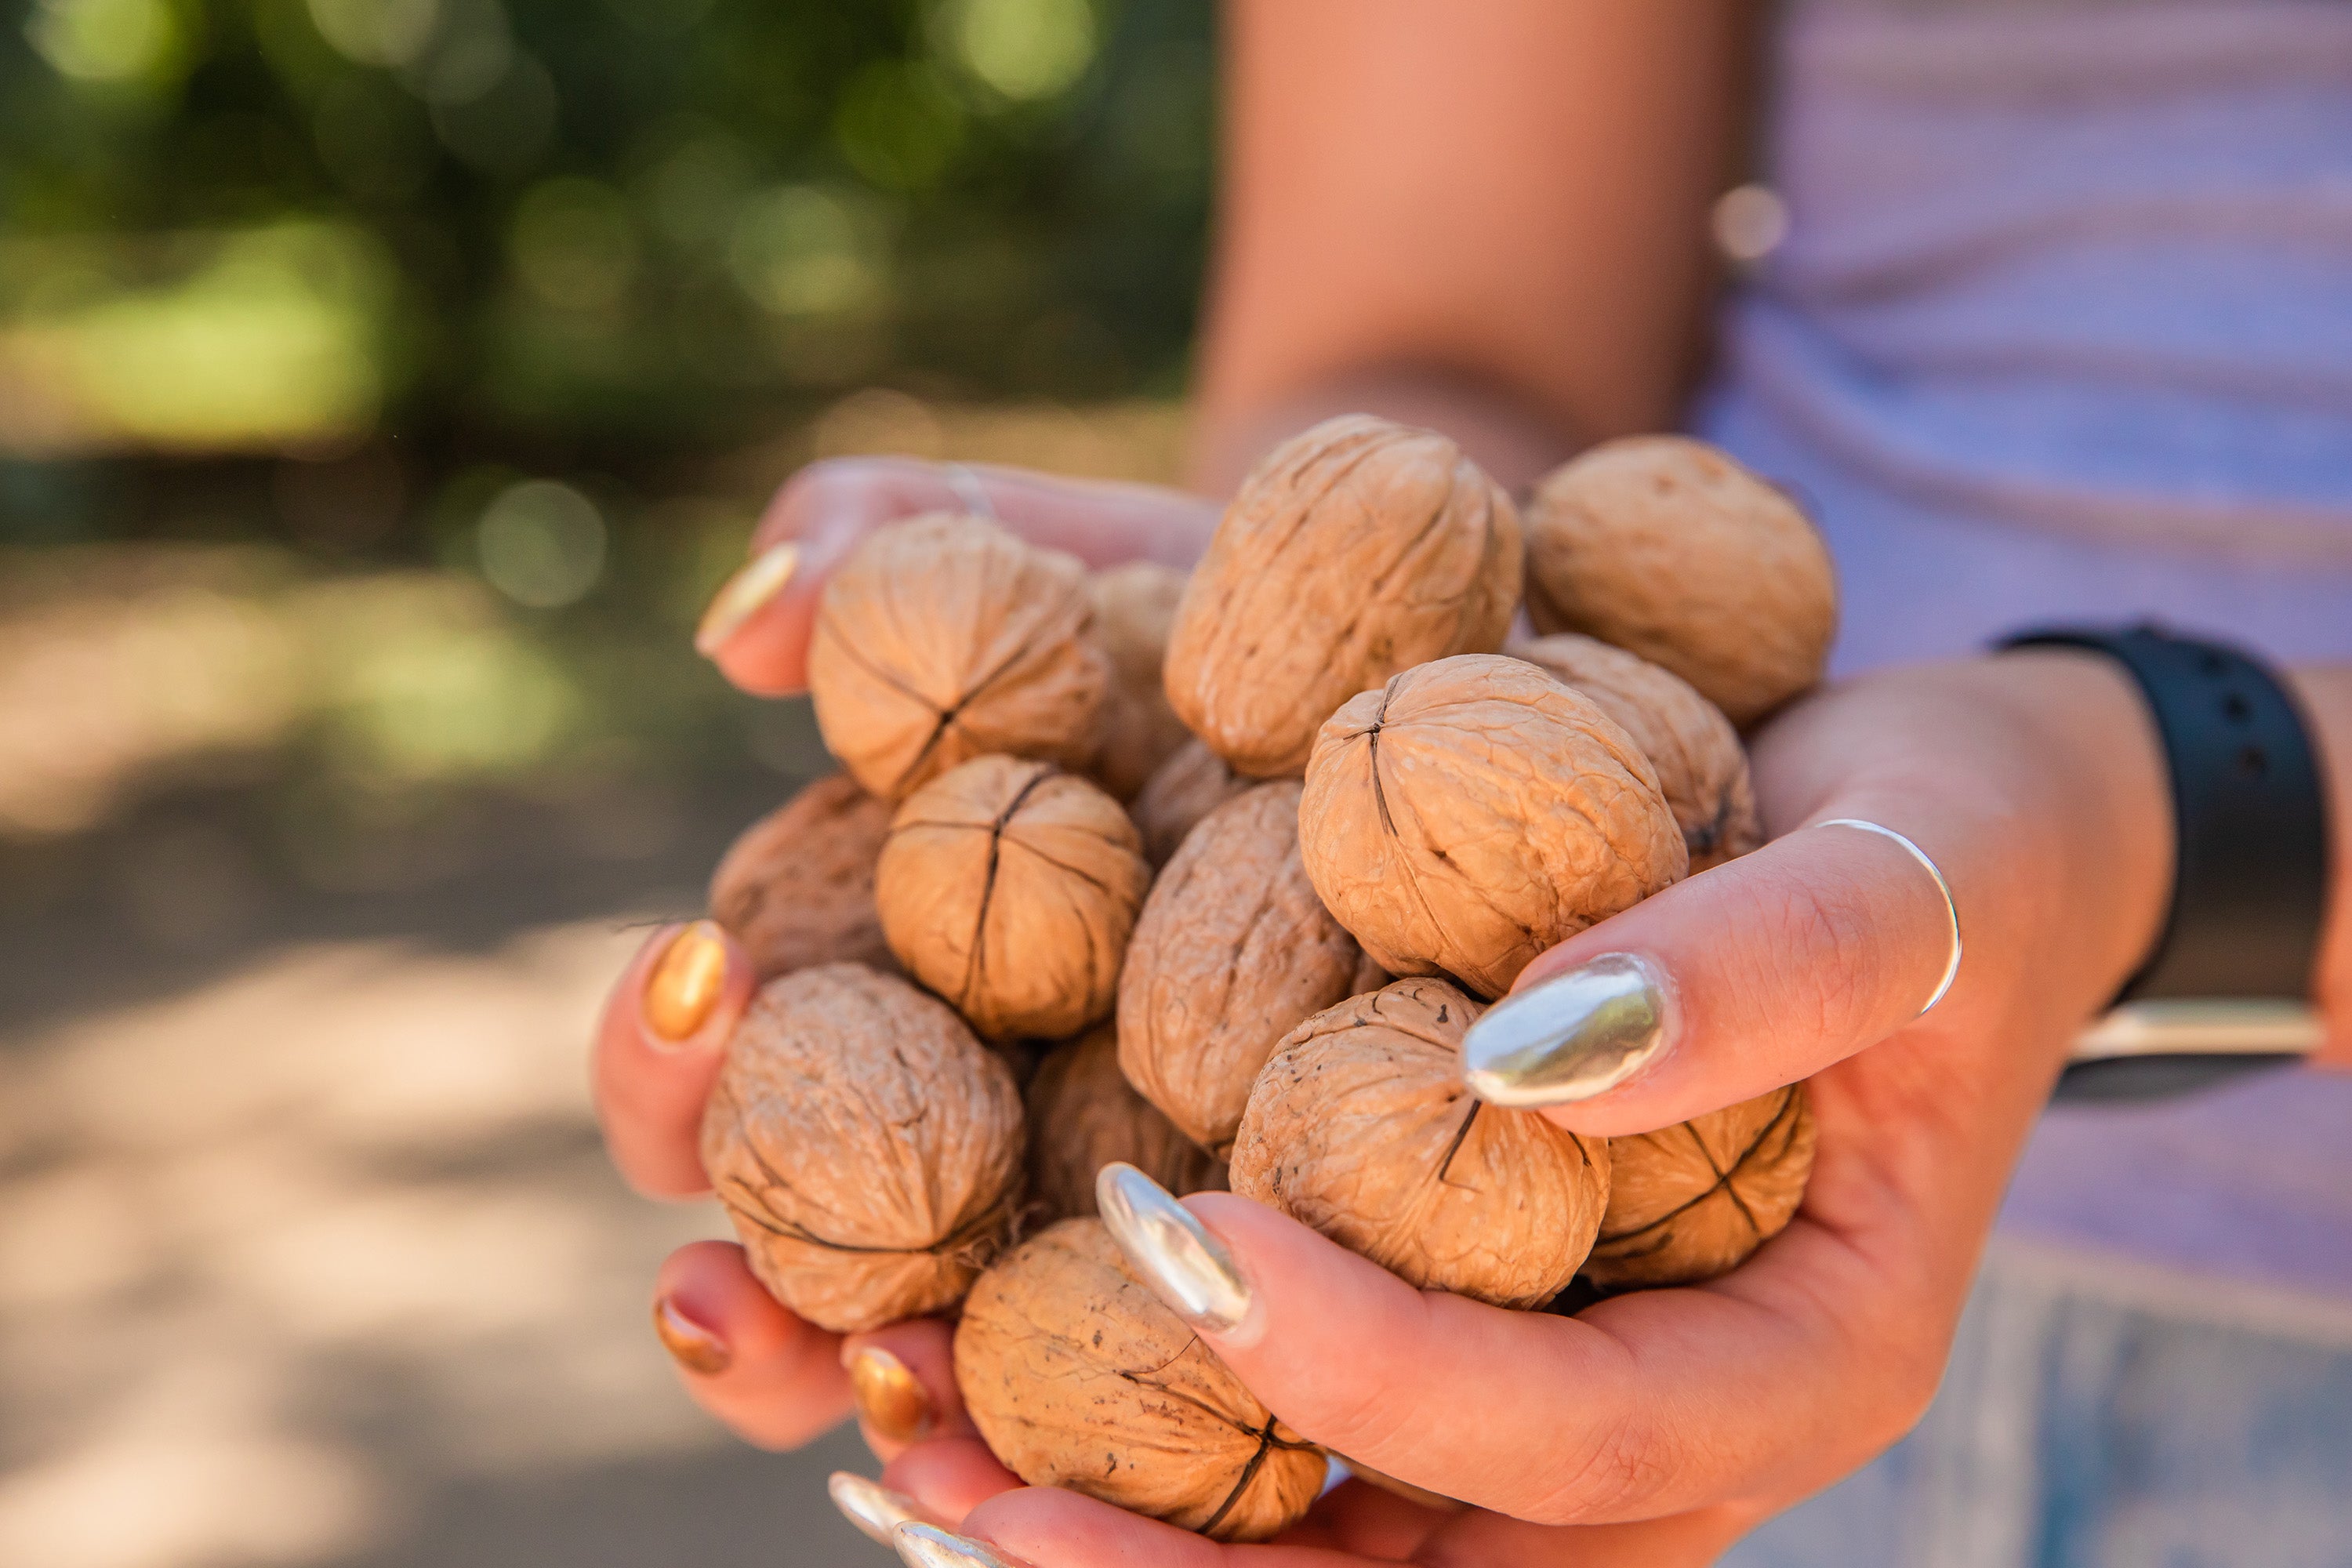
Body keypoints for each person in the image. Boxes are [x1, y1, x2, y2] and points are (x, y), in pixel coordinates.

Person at [592, 4, 2352, 1563]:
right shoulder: (1318, 806)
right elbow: (1446, 359)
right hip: (1727, 1295)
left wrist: (2156, 807)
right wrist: (1372, 598)